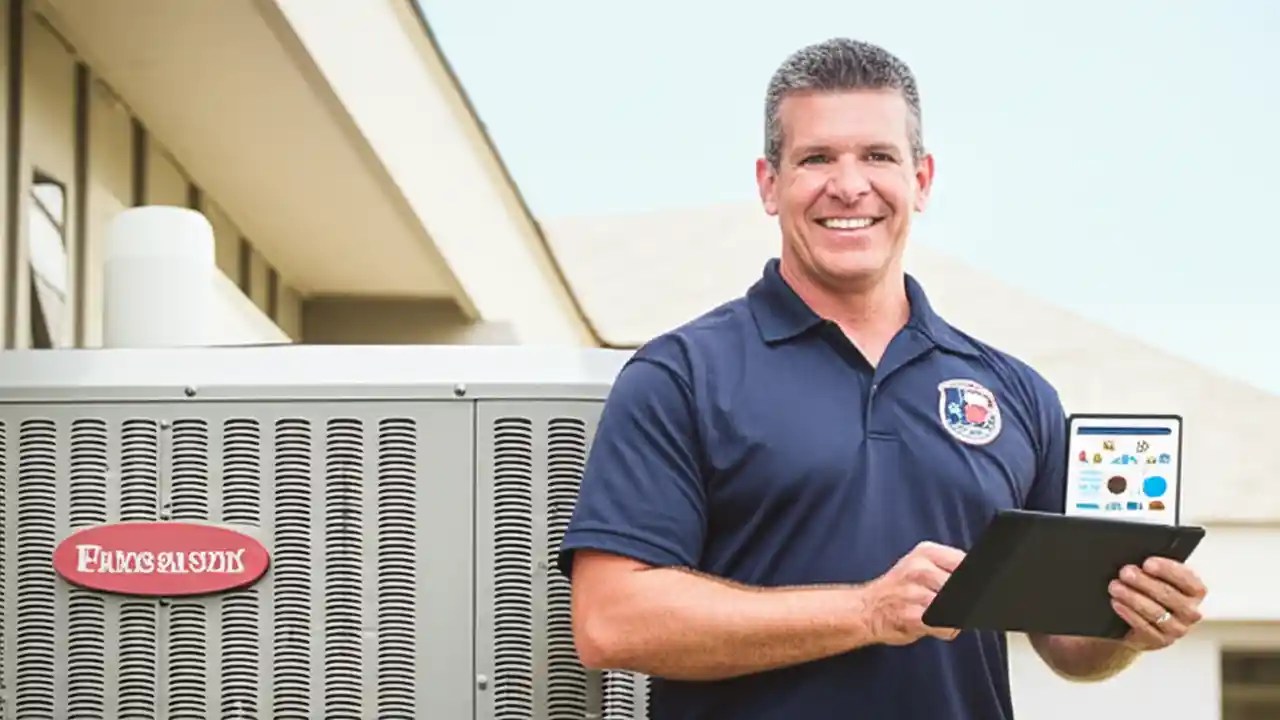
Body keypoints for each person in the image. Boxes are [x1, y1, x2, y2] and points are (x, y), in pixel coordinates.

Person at [556, 37, 1208, 719]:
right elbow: (610, 622)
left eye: (877, 156)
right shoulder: (680, 375)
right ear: (768, 184)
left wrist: (1132, 625)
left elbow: (1069, 645)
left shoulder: (1017, 394)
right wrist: (865, 612)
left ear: (921, 181)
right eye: (816, 158)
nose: (849, 185)